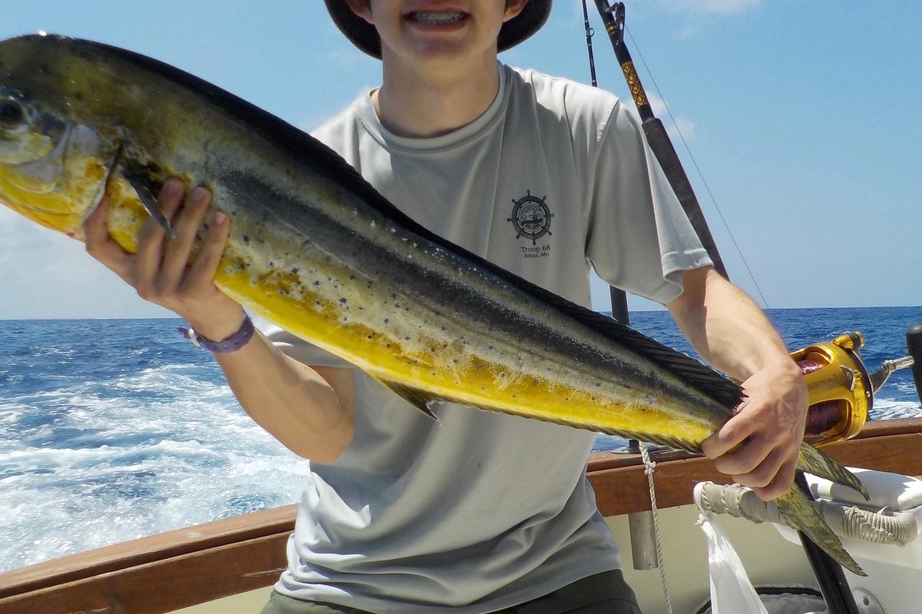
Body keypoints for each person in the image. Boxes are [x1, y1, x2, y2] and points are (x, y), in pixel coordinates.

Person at [83, 1, 809, 611]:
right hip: (353, 583)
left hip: (553, 571)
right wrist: (218, 320)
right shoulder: (305, 177)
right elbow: (327, 430)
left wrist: (775, 371)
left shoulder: (583, 126)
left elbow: (693, 291)